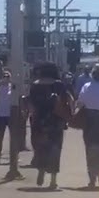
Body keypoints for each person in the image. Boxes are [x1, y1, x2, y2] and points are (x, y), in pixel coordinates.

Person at [25, 62, 72, 190]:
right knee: (55, 149)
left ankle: (41, 170)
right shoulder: (59, 85)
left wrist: (32, 115)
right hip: (56, 121)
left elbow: (30, 104)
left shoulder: (35, 85)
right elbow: (66, 101)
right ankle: (53, 180)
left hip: (39, 121)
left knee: (40, 147)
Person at [0, 70, 14, 164]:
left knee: (13, 137)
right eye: (4, 76)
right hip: (0, 114)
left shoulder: (12, 86)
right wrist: (0, 84)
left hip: (10, 114)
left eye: (8, 76)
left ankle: (14, 156)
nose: (6, 78)